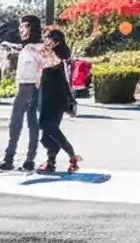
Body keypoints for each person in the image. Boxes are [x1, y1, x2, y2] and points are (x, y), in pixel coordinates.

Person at [0, 15, 44, 173]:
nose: (21, 30)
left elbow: (44, 68)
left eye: (25, 27)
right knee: (15, 124)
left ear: (33, 28)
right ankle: (9, 158)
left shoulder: (40, 48)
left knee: (32, 124)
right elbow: (8, 48)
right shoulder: (24, 47)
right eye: (20, 27)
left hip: (34, 88)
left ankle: (30, 159)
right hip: (22, 88)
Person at [36, 29, 80, 173]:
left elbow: (42, 58)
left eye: (48, 38)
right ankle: (51, 163)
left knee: (48, 128)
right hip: (49, 98)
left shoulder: (55, 58)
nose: (45, 40)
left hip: (55, 99)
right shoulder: (54, 57)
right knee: (47, 135)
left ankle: (72, 155)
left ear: (56, 42)